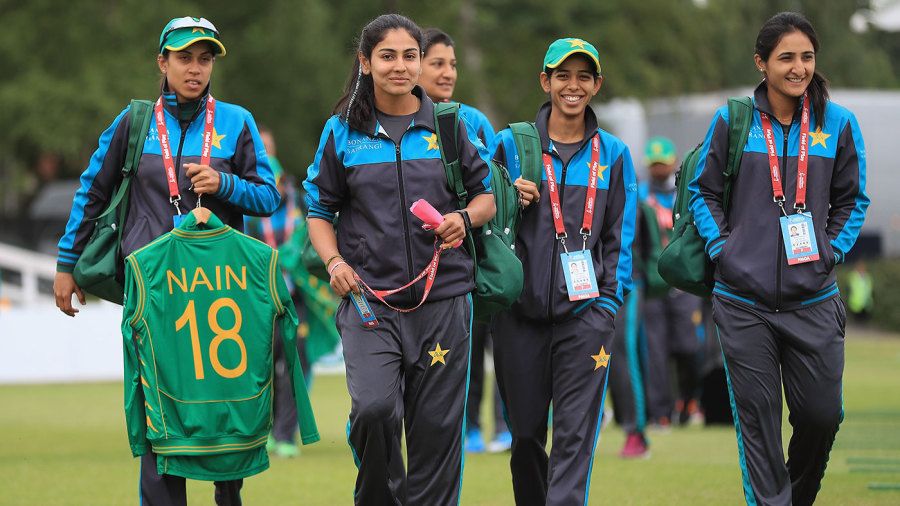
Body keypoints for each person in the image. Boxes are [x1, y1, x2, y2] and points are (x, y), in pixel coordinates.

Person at [53, 16, 279, 505]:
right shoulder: (134, 122)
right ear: (163, 62)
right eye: (184, 58)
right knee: (158, 412)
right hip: (152, 291)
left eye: (204, 58)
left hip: (219, 291)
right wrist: (66, 264)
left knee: (219, 409)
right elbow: (91, 192)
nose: (195, 69)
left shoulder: (236, 121)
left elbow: (268, 198)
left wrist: (225, 185)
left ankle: (228, 496)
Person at [303, 14, 495, 505]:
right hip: (369, 304)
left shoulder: (448, 126)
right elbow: (319, 211)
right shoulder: (341, 131)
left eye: (410, 55)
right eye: (387, 56)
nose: (400, 66)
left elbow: (486, 196)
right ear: (365, 62)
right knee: (372, 411)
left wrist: (464, 219)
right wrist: (334, 264)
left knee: (436, 434)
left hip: (444, 303)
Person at [689, 11, 869, 505]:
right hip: (743, 302)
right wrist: (723, 249)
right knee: (759, 423)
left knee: (822, 416)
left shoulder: (838, 123)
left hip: (813, 298)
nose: (798, 67)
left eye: (807, 56)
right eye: (786, 57)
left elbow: (854, 200)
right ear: (761, 63)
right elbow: (702, 193)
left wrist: (830, 251)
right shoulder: (734, 120)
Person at [490, 38, 636, 505]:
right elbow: (483, 218)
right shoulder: (513, 144)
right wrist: (511, 197)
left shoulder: (612, 153)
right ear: (545, 81)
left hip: (586, 316)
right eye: (562, 76)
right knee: (528, 434)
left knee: (575, 436)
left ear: (596, 85)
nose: (572, 86)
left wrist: (608, 304)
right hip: (519, 317)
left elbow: (620, 235)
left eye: (583, 77)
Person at [418, 26, 510, 454]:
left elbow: (494, 183)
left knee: (500, 344)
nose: (448, 72)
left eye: (452, 64)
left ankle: (504, 426)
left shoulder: (472, 120)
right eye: (437, 63)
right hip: (425, 264)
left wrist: (517, 187)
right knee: (463, 354)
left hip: (479, 254)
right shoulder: (397, 121)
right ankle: (469, 429)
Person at [243, 126, 310, 459]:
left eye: (269, 149)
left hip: (296, 297)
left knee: (295, 365)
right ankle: (266, 430)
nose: (267, 157)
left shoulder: (299, 198)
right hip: (259, 297)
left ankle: (286, 433)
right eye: (260, 150)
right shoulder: (247, 198)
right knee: (263, 367)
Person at [639, 136, 704, 428]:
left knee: (690, 347)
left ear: (673, 163)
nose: (658, 170)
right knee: (655, 352)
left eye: (662, 164)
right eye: (653, 165)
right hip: (653, 287)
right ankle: (660, 413)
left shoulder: (685, 193)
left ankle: (688, 402)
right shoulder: (640, 196)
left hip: (684, 283)